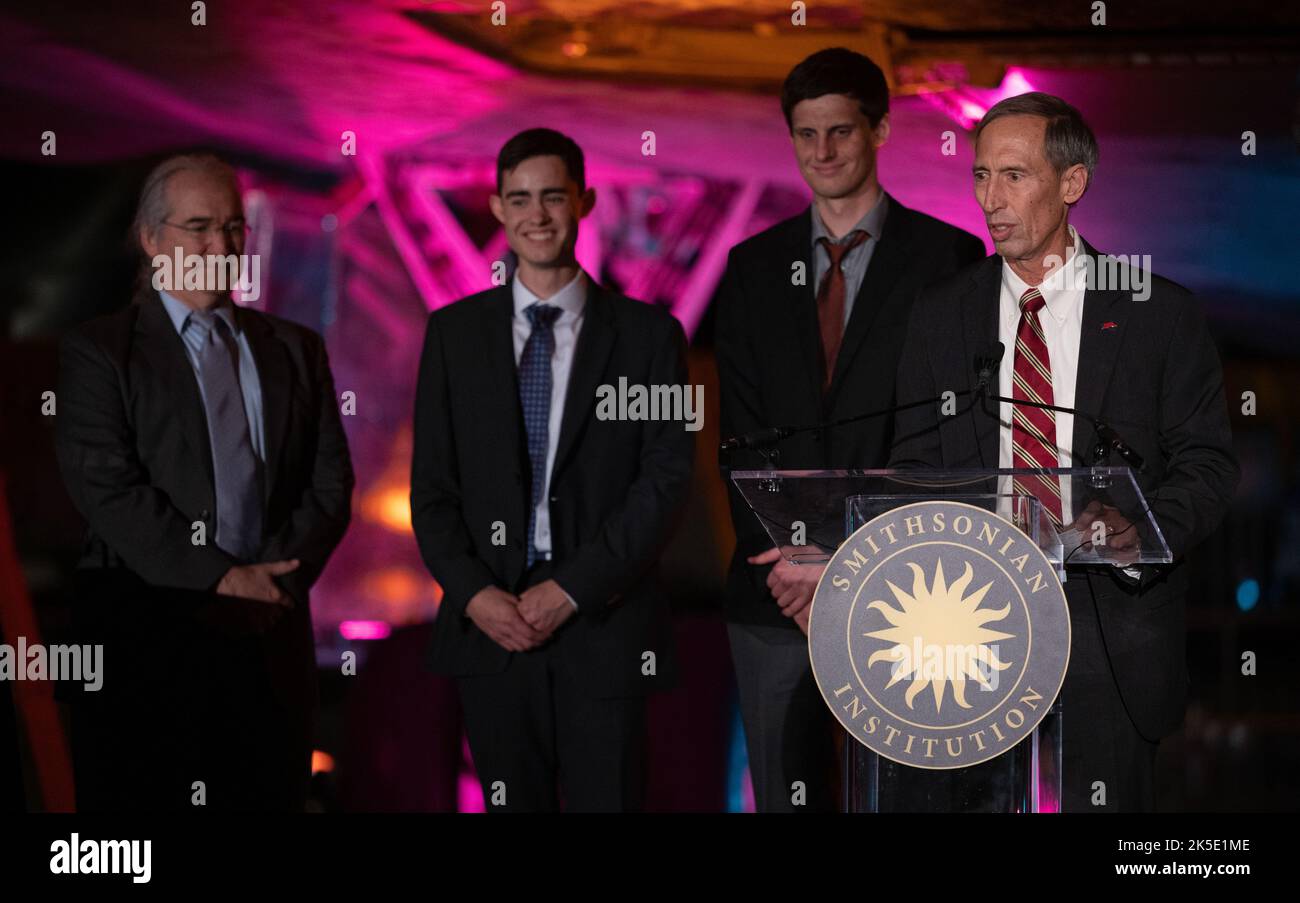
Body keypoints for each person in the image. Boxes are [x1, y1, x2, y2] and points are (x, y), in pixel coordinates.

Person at [891, 92, 1239, 811]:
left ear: (1073, 183)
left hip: (1106, 634)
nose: (991, 198)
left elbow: (1207, 465)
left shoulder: (1157, 313)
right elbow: (913, 466)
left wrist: (1139, 530)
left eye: (1013, 175)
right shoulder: (939, 314)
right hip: (968, 630)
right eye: (981, 176)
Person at [714, 47, 985, 812]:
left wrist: (852, 559)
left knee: (900, 799)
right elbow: (741, 438)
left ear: (881, 130)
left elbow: (945, 435)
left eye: (840, 131)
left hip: (901, 589)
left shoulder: (950, 260)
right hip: (776, 590)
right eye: (806, 135)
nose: (823, 152)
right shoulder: (751, 269)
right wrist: (798, 558)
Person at [55, 152, 354, 811]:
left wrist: (268, 584)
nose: (220, 245)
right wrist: (221, 578)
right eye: (198, 226)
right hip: (147, 658)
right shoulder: (101, 351)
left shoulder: (297, 348)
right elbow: (108, 489)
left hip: (269, 657)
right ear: (151, 238)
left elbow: (330, 485)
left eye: (233, 227)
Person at [410, 128, 693, 812]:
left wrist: (570, 589)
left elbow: (665, 482)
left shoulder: (653, 337)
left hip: (604, 625)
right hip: (492, 629)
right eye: (520, 199)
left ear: (585, 200)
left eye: (553, 197)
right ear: (499, 209)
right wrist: (479, 597)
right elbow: (433, 492)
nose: (537, 215)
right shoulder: (452, 336)